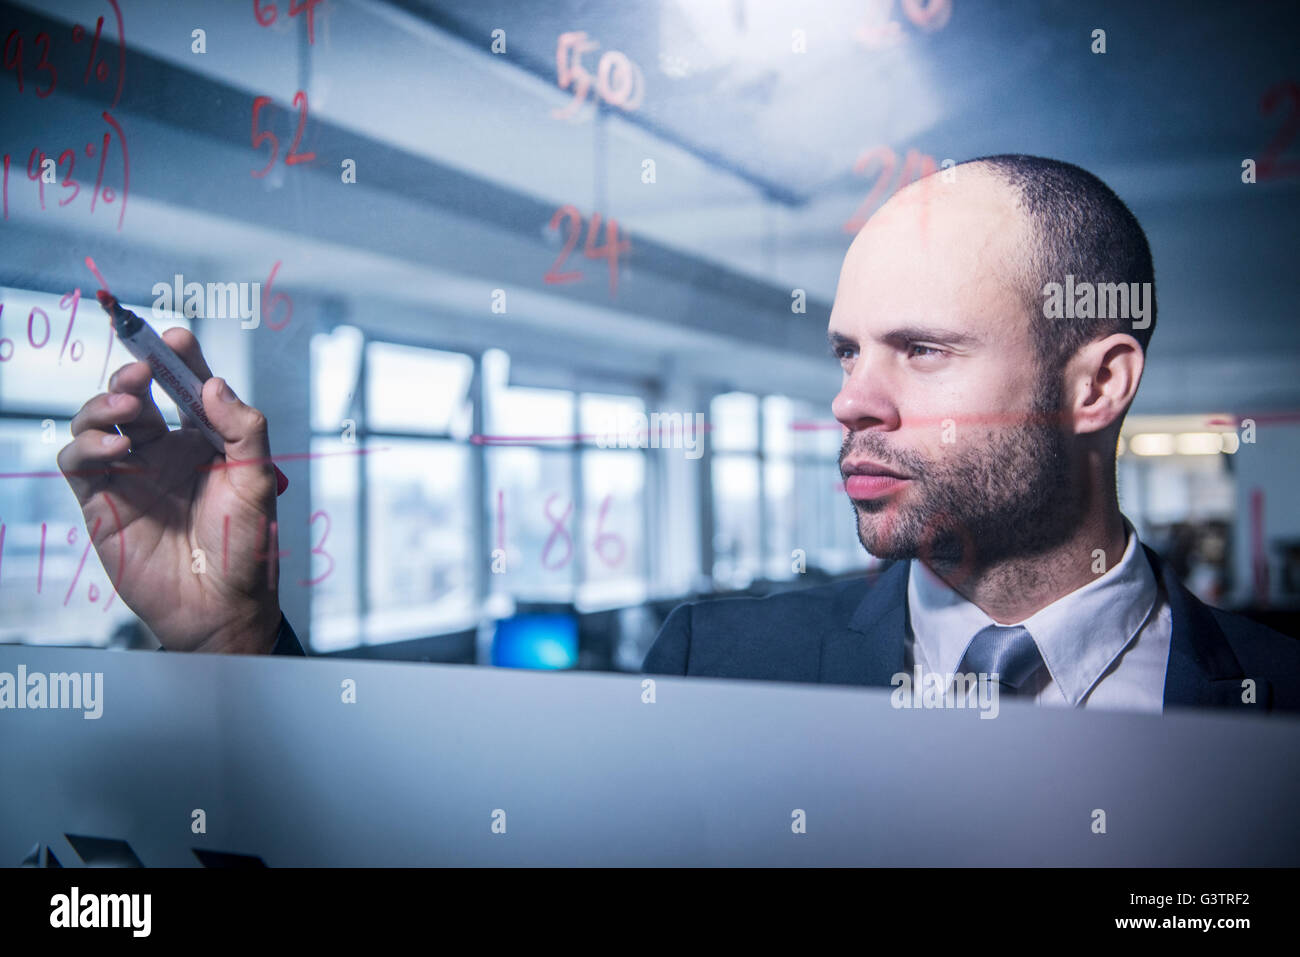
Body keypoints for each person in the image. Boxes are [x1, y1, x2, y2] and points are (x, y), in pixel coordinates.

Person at [57, 155, 1300, 712]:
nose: (853, 401)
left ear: (1096, 386)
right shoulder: (719, 663)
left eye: (919, 351)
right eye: (847, 353)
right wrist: (234, 641)